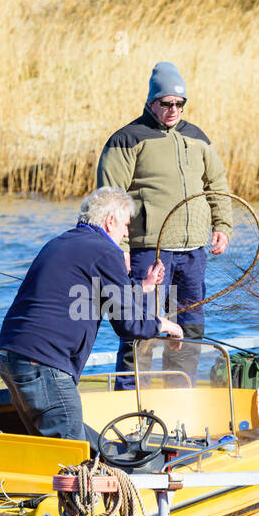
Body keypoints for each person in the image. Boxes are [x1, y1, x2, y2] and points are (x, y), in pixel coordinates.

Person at [0, 186, 183, 441]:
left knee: (52, 448)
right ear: (110, 221)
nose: (127, 232)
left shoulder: (63, 241)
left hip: (12, 357)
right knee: (72, 458)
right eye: (126, 225)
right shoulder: (106, 251)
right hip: (44, 364)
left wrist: (144, 287)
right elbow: (126, 323)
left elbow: (93, 295)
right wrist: (162, 324)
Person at [97, 61, 232, 389]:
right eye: (166, 103)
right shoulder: (127, 139)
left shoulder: (197, 137)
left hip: (193, 253)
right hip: (149, 252)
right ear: (150, 102)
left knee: (190, 326)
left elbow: (217, 183)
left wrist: (222, 225)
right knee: (139, 326)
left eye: (179, 104)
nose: (173, 110)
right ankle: (129, 397)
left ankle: (179, 392)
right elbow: (109, 199)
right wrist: (121, 249)